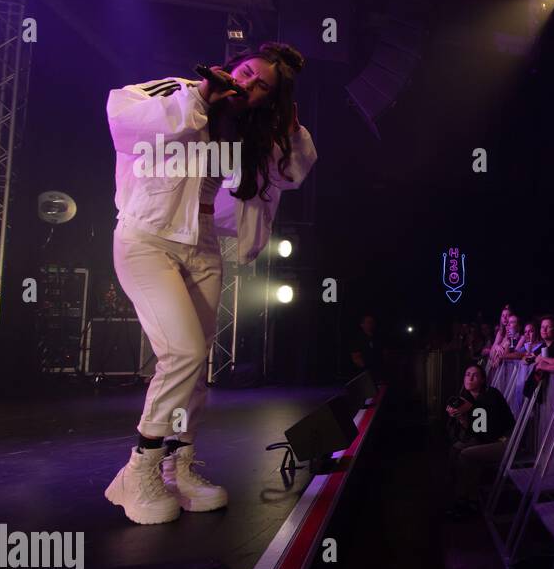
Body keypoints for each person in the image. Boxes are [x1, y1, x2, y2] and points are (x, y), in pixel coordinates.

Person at [105, 42, 316, 524]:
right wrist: (199, 97)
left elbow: (294, 172)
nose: (248, 84)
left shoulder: (252, 133)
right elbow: (122, 122)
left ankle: (178, 466)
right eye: (245, 72)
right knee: (182, 352)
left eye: (263, 86)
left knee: (197, 367)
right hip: (147, 240)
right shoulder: (176, 92)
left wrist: (292, 127)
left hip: (201, 248)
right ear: (228, 68)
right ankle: (138, 470)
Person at [446, 363, 516, 519]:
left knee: (466, 454)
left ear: (483, 380)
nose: (470, 378)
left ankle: (468, 502)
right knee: (456, 448)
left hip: (505, 440)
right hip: (488, 438)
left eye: (475, 375)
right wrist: (461, 417)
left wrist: (470, 409)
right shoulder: (468, 398)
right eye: (467, 374)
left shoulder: (491, 394)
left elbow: (491, 431)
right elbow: (478, 431)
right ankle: (458, 495)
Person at [349, 313, 385, 377]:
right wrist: (366, 369)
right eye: (368, 322)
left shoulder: (378, 338)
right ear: (362, 325)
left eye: (372, 322)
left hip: (379, 371)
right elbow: (355, 357)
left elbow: (383, 353)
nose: (371, 324)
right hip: (365, 372)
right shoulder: (357, 339)